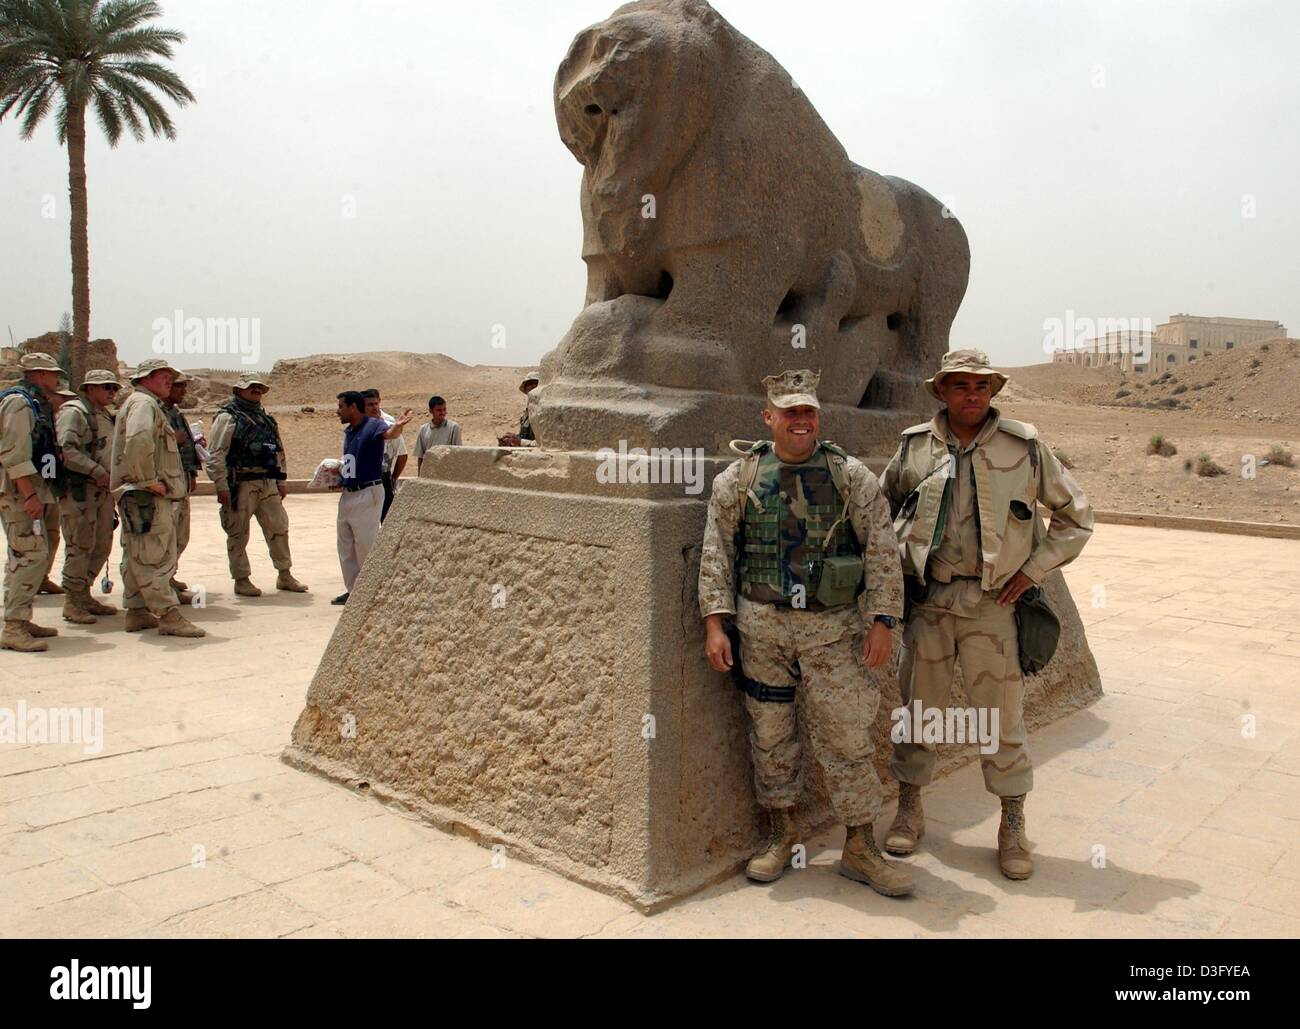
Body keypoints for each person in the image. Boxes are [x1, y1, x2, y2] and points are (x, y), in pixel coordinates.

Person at [881, 349, 1094, 880]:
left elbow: (1077, 517)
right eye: (959, 386)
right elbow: (881, 513)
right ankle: (909, 807)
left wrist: (1035, 569)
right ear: (943, 392)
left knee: (1000, 719)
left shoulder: (1024, 448)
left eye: (980, 386)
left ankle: (1012, 821)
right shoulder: (915, 447)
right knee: (918, 711)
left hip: (993, 606)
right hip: (929, 603)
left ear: (992, 392)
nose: (971, 395)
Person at [698, 369, 912, 896]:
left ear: (818, 416)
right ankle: (782, 837)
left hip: (834, 632)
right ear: (768, 416)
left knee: (847, 736)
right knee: (770, 737)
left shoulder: (850, 476)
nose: (800, 420)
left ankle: (860, 847)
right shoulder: (739, 480)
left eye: (808, 411)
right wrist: (714, 625)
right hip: (761, 631)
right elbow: (716, 554)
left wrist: (883, 621)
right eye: (789, 411)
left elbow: (882, 550)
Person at [110, 359, 205, 638]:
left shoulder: (144, 403)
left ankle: (137, 610)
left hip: (139, 495)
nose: (168, 380)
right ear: (146, 378)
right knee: (155, 557)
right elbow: (138, 441)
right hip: (146, 495)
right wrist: (149, 481)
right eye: (163, 376)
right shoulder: (144, 404)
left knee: (137, 553)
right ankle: (168, 615)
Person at [206, 374, 308, 597]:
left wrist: (281, 481)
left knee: (279, 528)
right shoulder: (227, 418)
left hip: (268, 483)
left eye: (259, 388)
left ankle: (285, 574)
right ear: (238, 390)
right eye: (251, 387)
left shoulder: (266, 419)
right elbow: (216, 455)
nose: (256, 391)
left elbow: (279, 451)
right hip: (240, 484)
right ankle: (241, 579)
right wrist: (221, 485)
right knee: (238, 533)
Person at [0, 353, 65, 651]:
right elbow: (13, 454)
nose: (57, 380)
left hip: (29, 490)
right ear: (38, 375)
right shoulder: (19, 403)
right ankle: (13, 626)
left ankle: (20, 620)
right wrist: (29, 493)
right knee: (29, 555)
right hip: (18, 494)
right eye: (53, 375)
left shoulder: (33, 402)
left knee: (27, 555)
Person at [55, 368, 121, 624]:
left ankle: (84, 593)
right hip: (80, 491)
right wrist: (95, 470)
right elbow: (66, 450)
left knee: (102, 544)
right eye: (106, 387)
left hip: (102, 491)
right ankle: (72, 600)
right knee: (80, 545)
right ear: (90, 389)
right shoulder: (75, 412)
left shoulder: (104, 415)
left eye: (114, 388)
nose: (112, 392)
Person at [334, 391, 411, 605]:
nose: (338, 410)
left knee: (365, 546)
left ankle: (373, 592)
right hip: (348, 494)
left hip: (368, 493)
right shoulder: (349, 431)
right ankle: (355, 592)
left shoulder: (374, 425)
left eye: (341, 406)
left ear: (352, 407)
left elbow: (391, 434)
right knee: (346, 547)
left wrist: (399, 425)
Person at [36, 379, 78, 596]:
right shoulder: (36, 419)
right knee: (33, 537)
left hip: (51, 486)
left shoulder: (60, 421)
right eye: (62, 398)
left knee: (52, 535)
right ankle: (29, 581)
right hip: (35, 486)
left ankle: (42, 577)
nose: (65, 403)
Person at [163, 372, 200, 601]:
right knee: (165, 537)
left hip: (181, 480)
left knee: (180, 535)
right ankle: (161, 584)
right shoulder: (155, 413)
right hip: (166, 483)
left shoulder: (175, 413)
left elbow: (184, 444)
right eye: (179, 387)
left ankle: (168, 577)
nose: (184, 392)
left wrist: (192, 471)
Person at [361, 389, 408, 521]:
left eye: (376, 403)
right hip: (363, 480)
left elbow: (402, 453)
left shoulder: (389, 424)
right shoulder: (357, 426)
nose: (374, 407)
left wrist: (393, 478)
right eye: (370, 404)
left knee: (387, 520)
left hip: (382, 478)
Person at [411, 394, 461, 473]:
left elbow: (458, 453)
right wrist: (420, 476)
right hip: (430, 472)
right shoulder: (423, 429)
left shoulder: (454, 427)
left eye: (444, 409)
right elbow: (420, 456)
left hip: (447, 472)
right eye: (439, 410)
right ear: (431, 411)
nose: (443, 412)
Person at [497, 371, 539, 447]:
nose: (533, 386)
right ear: (526, 389)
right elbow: (525, 438)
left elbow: (547, 445)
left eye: (536, 383)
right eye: (529, 384)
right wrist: (511, 440)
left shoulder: (547, 412)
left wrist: (520, 442)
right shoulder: (526, 413)